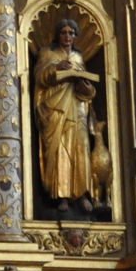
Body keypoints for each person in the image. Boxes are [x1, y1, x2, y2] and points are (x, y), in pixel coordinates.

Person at [33, 17, 96, 212]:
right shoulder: (47, 53)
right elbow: (40, 77)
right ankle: (63, 196)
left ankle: (82, 194)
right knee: (60, 149)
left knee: (81, 148)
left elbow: (88, 93)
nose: (67, 36)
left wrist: (87, 88)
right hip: (55, 108)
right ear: (58, 35)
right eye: (64, 32)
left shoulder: (78, 58)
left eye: (71, 33)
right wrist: (56, 68)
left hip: (77, 108)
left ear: (76, 36)